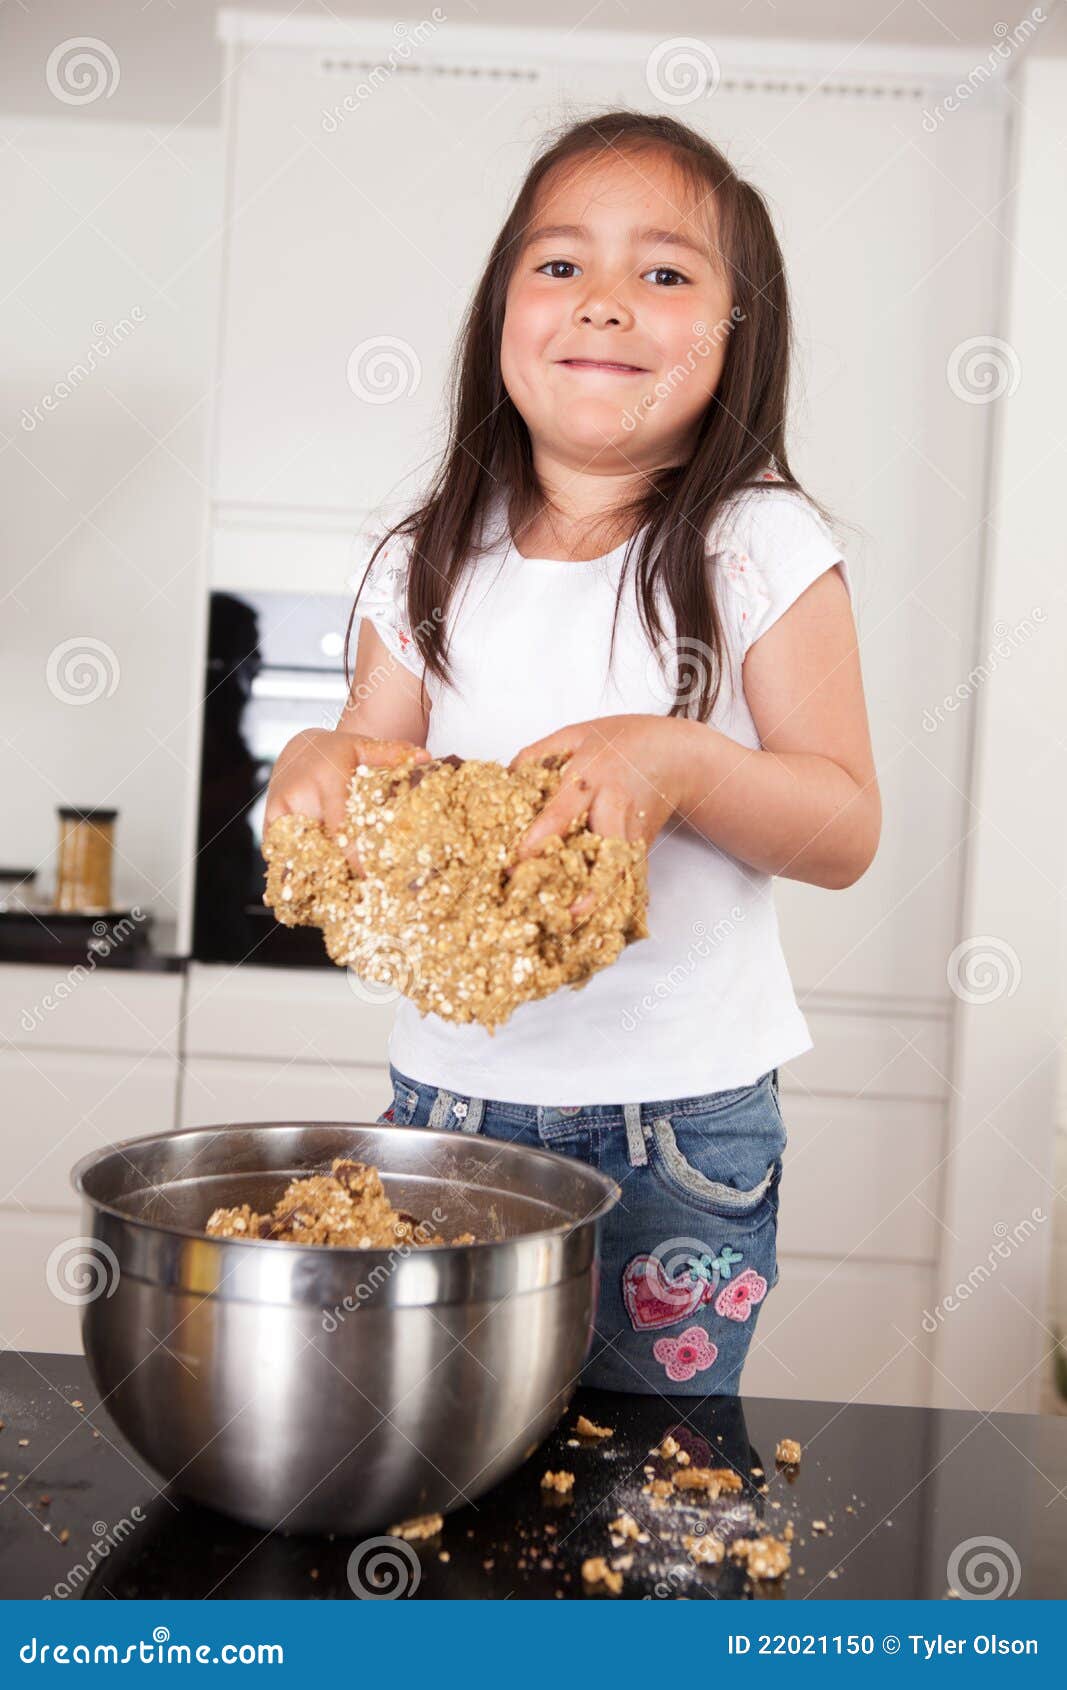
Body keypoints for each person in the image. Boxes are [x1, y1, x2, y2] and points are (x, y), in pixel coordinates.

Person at [263, 110, 880, 1396]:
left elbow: (843, 829)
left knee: (643, 1487)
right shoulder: (418, 555)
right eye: (559, 266)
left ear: (736, 337)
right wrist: (316, 769)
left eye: (662, 274)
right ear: (500, 314)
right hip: (445, 1109)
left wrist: (685, 763)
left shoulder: (758, 545)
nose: (603, 303)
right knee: (439, 1452)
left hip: (678, 1127)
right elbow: (373, 778)